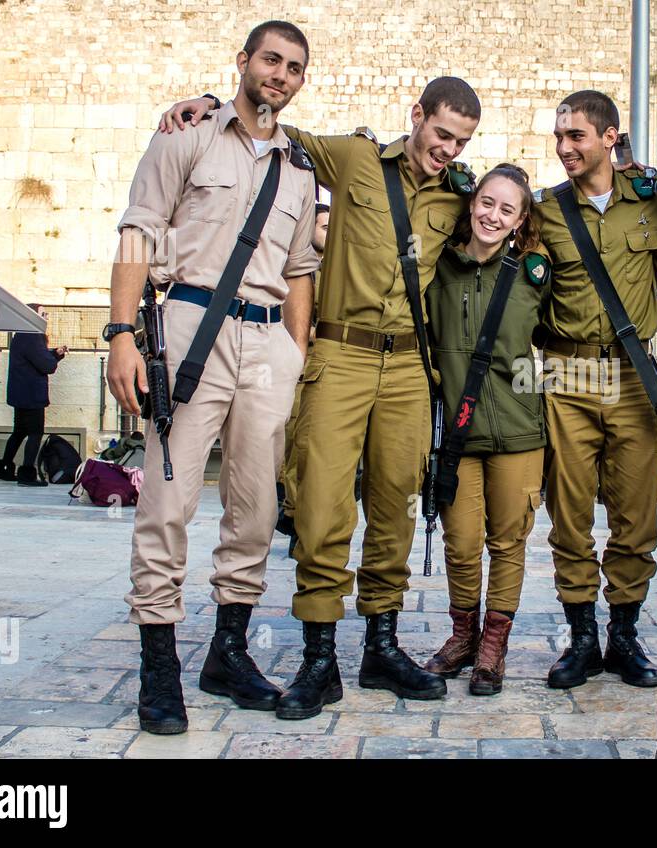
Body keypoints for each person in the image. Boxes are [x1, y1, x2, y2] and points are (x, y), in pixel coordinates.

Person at [162, 76, 481, 713]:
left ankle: (381, 649)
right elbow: (274, 128)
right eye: (442, 133)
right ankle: (318, 659)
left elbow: (510, 221)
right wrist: (209, 105)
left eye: (462, 141)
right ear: (416, 115)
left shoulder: (457, 196)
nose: (448, 148)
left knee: (394, 505)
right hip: (339, 355)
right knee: (322, 506)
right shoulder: (355, 158)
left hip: (410, 370)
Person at [108, 20, 319, 735]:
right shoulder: (186, 132)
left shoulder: (299, 168)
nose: (280, 75)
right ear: (243, 63)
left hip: (266, 343)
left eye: (293, 67)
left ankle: (228, 653)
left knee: (255, 509)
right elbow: (138, 230)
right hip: (190, 324)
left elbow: (298, 271)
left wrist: (295, 351)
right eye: (270, 60)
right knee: (166, 504)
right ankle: (159, 667)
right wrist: (119, 338)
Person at [532, 90, 657, 689]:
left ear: (610, 138)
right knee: (568, 516)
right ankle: (581, 637)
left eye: (577, 136)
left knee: (636, 514)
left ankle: (623, 632)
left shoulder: (651, 207)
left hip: (634, 377)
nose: (565, 147)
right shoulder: (544, 211)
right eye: (560, 136)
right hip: (567, 374)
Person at [422, 164, 550, 695]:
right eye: (486, 203)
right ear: (471, 203)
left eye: (506, 209)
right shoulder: (438, 270)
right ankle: (461, 636)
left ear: (520, 221)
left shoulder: (533, 274)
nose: (492, 216)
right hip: (458, 433)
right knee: (461, 541)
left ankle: (492, 648)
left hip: (519, 431)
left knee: (509, 541)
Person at [275, 201, 330, 545]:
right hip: (296, 371)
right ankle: (293, 516)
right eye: (324, 225)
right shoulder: (295, 270)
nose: (331, 230)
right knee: (295, 446)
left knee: (312, 450)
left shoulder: (333, 269)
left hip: (324, 370)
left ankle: (300, 516)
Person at [0, 304, 67, 487]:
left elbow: (36, 358)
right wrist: (56, 357)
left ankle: (5, 468)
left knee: (19, 432)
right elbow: (46, 365)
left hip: (20, 394)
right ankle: (26, 474)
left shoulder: (21, 334)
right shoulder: (33, 336)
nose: (46, 318)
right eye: (43, 314)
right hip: (31, 395)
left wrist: (53, 354)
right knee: (35, 433)